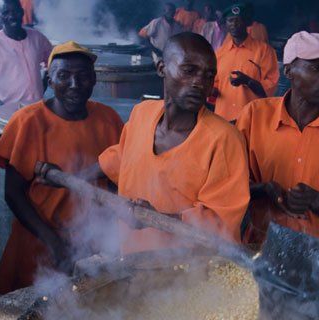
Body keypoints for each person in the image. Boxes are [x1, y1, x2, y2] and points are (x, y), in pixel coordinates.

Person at [95, 33, 250, 253]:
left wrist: (156, 218)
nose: (200, 83)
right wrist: (75, 175)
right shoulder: (141, 114)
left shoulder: (224, 139)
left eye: (209, 75)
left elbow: (220, 219)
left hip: (188, 273)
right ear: (161, 68)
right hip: (131, 258)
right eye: (189, 71)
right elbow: (122, 159)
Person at [0, 42, 123, 293]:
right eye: (64, 75)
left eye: (83, 76)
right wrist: (54, 243)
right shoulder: (28, 122)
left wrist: (111, 235)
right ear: (49, 80)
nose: (75, 84)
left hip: (92, 245)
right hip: (39, 244)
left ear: (94, 79)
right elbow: (13, 193)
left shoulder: (109, 120)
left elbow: (116, 184)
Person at [236, 32, 319, 244]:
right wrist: (264, 189)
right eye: (316, 68)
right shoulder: (254, 116)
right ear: (288, 71)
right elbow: (229, 186)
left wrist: (314, 200)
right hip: (259, 245)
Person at [213, 2, 278, 122]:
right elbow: (215, 86)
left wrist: (248, 81)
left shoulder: (264, 51)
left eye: (238, 20)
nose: (234, 24)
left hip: (252, 119)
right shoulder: (220, 53)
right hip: (223, 119)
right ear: (226, 24)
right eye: (230, 21)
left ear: (246, 23)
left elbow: (271, 86)